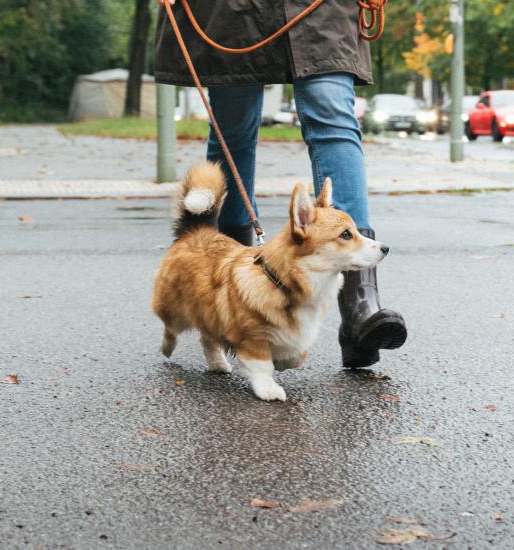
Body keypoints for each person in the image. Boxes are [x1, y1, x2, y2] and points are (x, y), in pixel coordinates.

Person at [154, 0, 406, 369]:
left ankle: (360, 304)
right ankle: (232, 298)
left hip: (320, 8)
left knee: (332, 113)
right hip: (231, 11)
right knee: (233, 128)